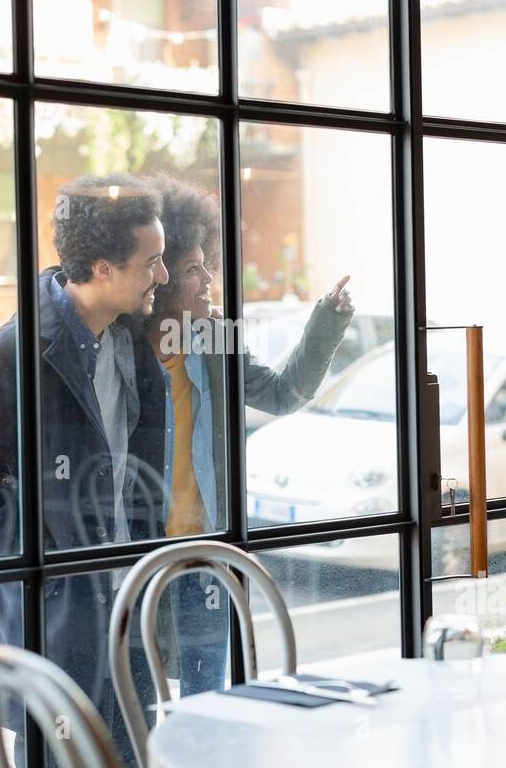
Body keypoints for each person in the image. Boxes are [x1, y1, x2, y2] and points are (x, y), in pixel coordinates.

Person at [0, 174, 171, 768]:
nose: (162, 277)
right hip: (60, 614)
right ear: (102, 269)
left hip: (126, 599)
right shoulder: (11, 354)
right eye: (153, 262)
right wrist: (49, 553)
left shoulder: (130, 340)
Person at [140, 174, 357, 693]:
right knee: (139, 695)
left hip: (208, 549)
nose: (208, 279)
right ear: (164, 280)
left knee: (208, 694)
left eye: (206, 264)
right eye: (193, 270)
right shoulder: (124, 347)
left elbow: (284, 393)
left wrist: (326, 320)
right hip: (141, 554)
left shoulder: (215, 338)